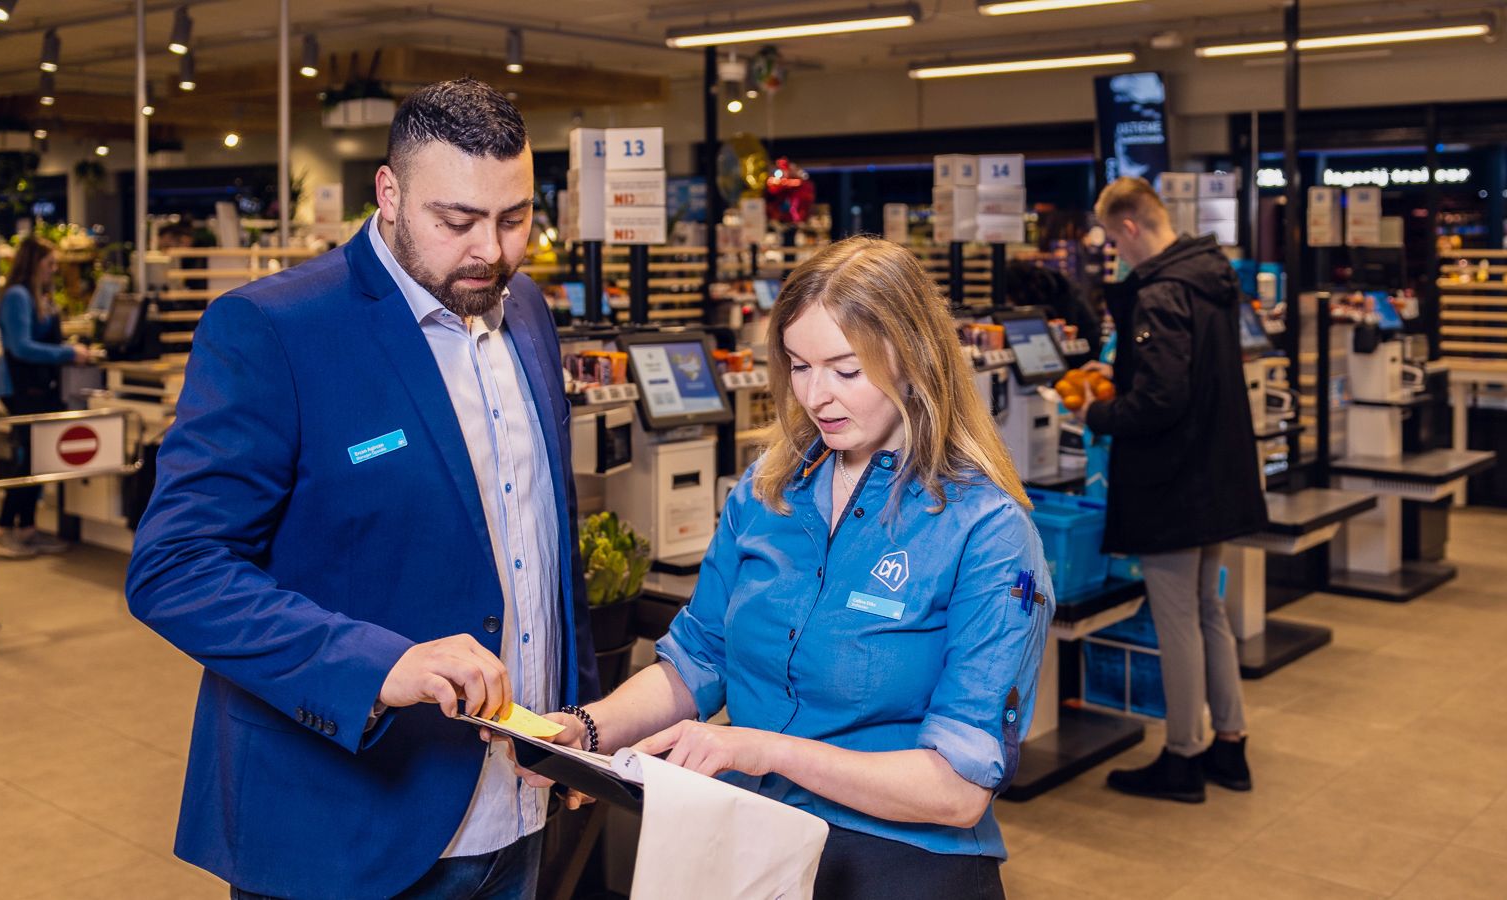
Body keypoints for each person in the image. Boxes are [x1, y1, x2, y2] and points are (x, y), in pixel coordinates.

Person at [126, 79, 597, 899]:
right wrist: (381, 662)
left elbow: (543, 539)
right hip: (344, 827)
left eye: (516, 217)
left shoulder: (524, 310)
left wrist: (580, 732)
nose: (492, 249)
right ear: (389, 193)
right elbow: (176, 567)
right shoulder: (276, 330)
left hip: (517, 805)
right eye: (457, 221)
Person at [532, 236, 1052, 900]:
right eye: (800, 366)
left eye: (846, 369)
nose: (817, 396)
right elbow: (701, 658)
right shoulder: (768, 491)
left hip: (900, 867)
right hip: (751, 847)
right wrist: (586, 728)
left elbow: (957, 791)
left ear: (914, 360)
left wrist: (762, 750)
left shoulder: (987, 531)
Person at [1080, 176, 1267, 803]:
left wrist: (1099, 414)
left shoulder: (1161, 293)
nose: (1115, 252)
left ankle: (1183, 755)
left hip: (1173, 481)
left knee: (1177, 618)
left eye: (1112, 239)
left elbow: (1159, 400)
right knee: (1209, 609)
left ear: (1130, 226)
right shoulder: (1211, 277)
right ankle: (1230, 744)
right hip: (1216, 474)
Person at [0, 235, 89, 558]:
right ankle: (5, 527)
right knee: (28, 460)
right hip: (21, 390)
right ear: (35, 263)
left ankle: (27, 528)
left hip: (36, 389)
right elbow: (21, 347)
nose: (55, 269)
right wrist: (67, 353)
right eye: (50, 263)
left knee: (39, 460)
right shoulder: (18, 297)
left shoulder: (36, 296)